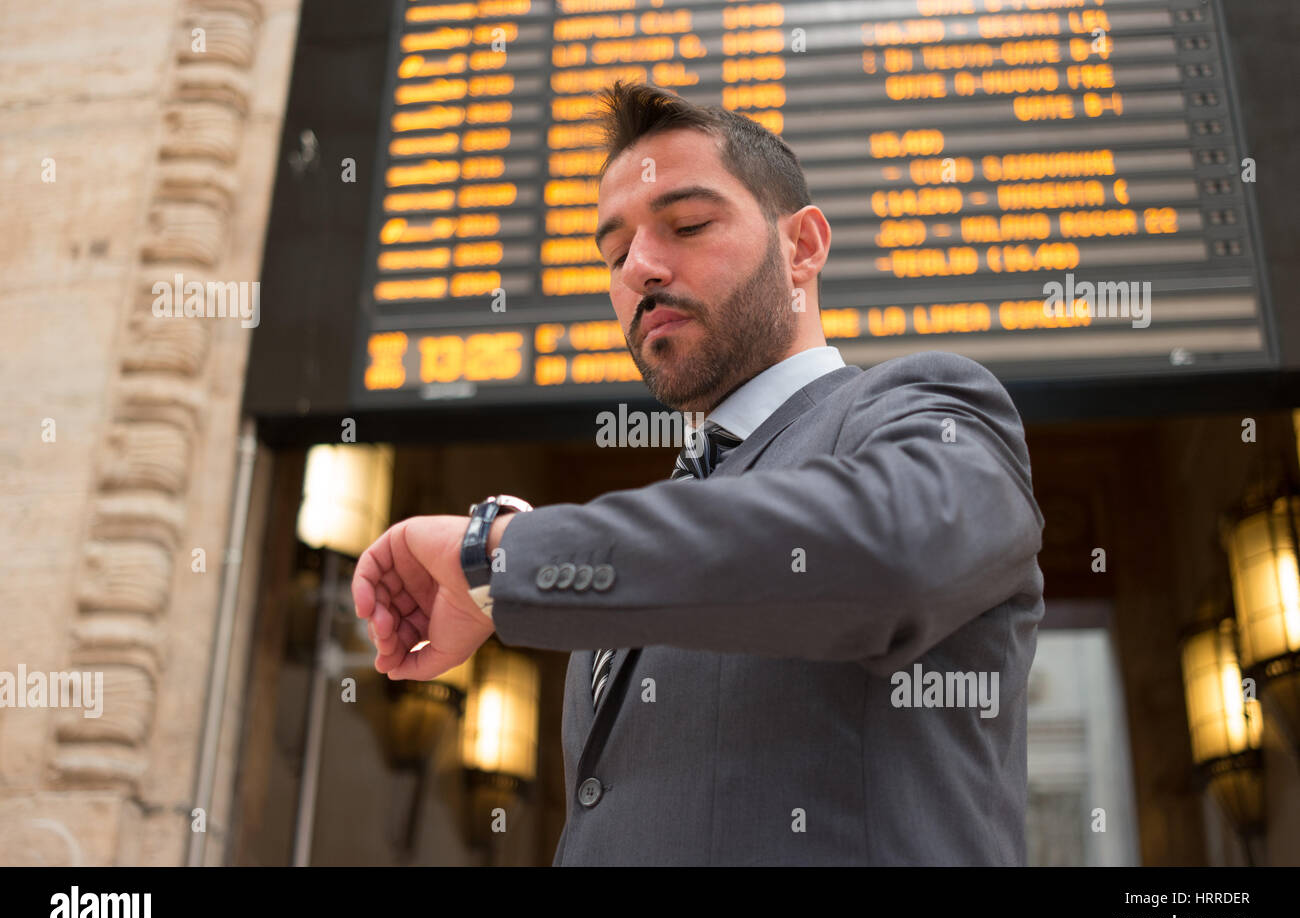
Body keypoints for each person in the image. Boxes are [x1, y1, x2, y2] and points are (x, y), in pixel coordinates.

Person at [352, 80, 1046, 865]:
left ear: (804, 247)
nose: (640, 269)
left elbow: (883, 552)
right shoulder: (670, 517)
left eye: (687, 224)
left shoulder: (926, 406)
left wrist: (504, 555)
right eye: (615, 255)